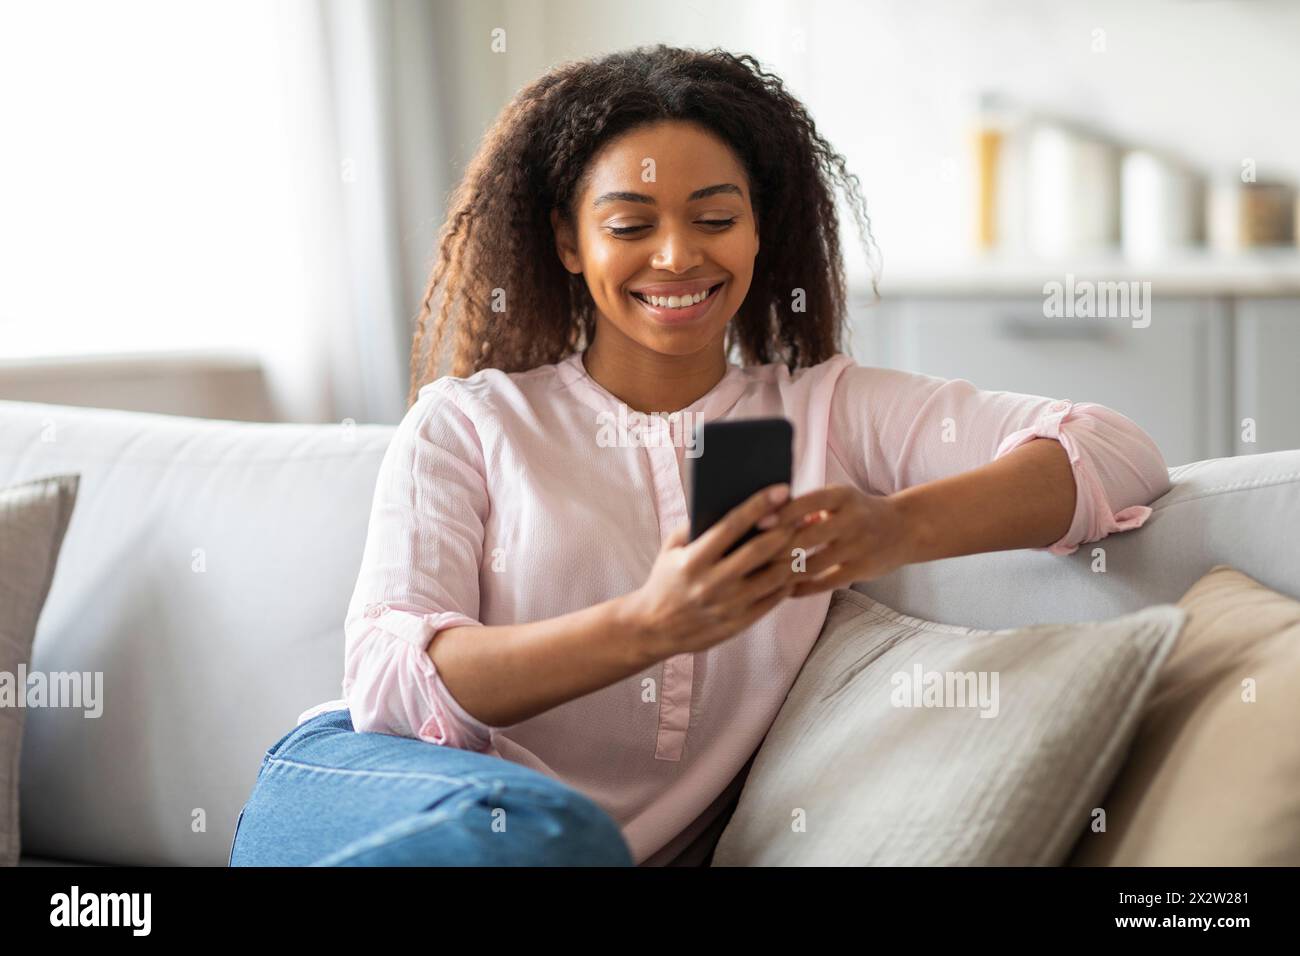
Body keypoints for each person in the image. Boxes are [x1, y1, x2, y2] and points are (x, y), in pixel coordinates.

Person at [229, 45, 1169, 867]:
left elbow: (1115, 452)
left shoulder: (827, 414)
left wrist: (890, 530)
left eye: (715, 219)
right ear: (568, 241)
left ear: (760, 229)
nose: (677, 256)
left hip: (581, 856)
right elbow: (391, 684)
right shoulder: (470, 424)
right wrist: (647, 625)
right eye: (630, 224)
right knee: (551, 839)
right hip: (372, 791)